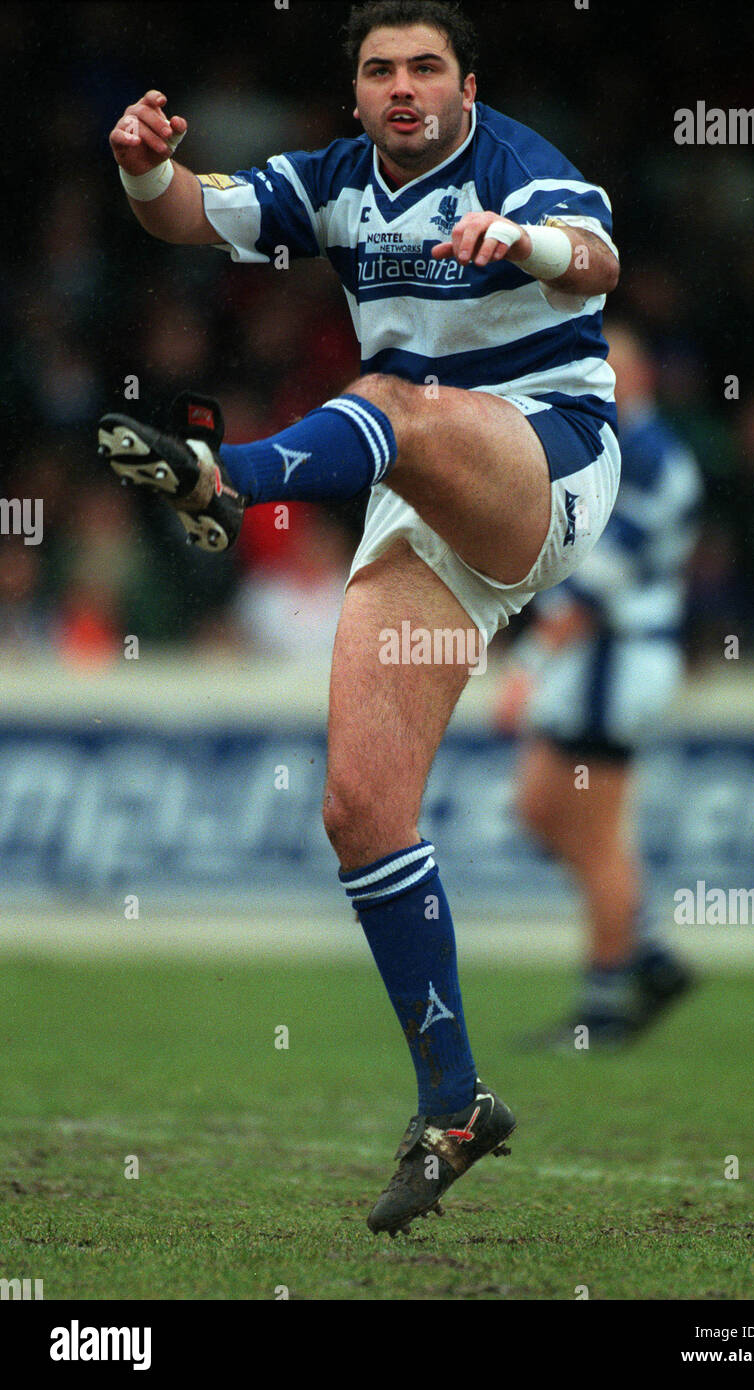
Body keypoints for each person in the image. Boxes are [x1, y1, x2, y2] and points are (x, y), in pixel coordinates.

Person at [98, 0, 621, 1234]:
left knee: (394, 398)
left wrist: (525, 247)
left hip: (542, 460)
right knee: (360, 807)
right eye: (380, 70)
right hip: (417, 493)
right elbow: (195, 213)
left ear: (467, 85)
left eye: (425, 67)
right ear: (355, 97)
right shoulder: (333, 182)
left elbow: (600, 261)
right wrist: (143, 167)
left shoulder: (522, 167)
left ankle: (227, 476)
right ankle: (453, 1105)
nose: (402, 87)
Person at [497, 323, 703, 1048]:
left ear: (638, 377)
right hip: (598, 662)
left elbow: (598, 579)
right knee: (538, 811)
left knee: (595, 832)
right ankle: (645, 951)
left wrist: (526, 669)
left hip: (617, 661)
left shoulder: (652, 458)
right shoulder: (611, 448)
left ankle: (607, 1003)